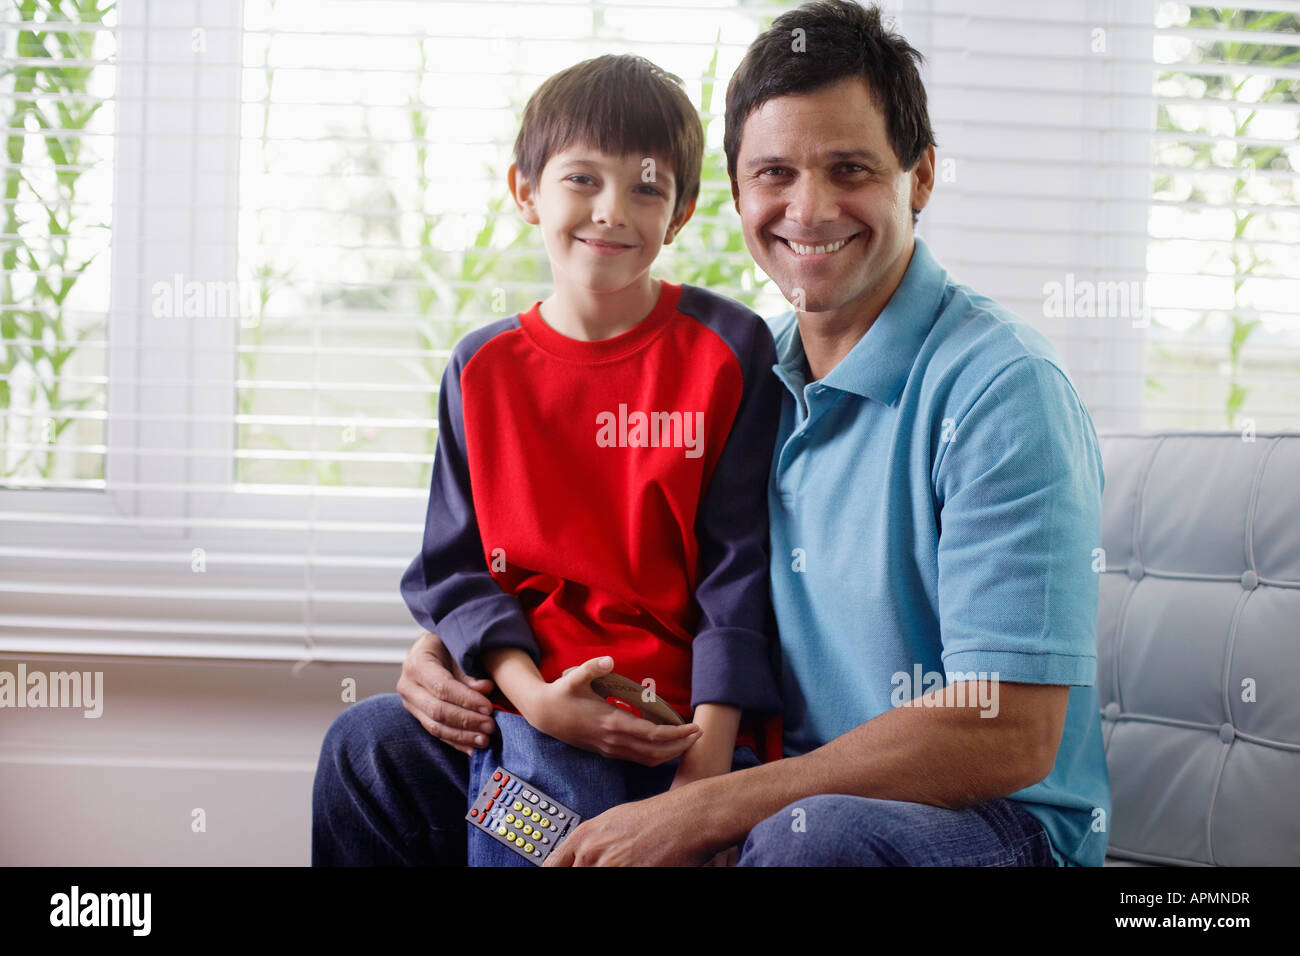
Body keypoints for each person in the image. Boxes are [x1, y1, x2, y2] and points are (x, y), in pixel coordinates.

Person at [372, 0, 1112, 868]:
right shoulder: (737, 371)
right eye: (774, 174)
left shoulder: (1001, 389)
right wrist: (460, 647)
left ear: (920, 177)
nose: (810, 207)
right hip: (763, 770)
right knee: (377, 747)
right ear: (732, 193)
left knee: (812, 840)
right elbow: (603, 555)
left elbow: (1009, 732)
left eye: (850, 169)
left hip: (983, 820)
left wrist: (717, 805)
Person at [313, 53, 783, 866]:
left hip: (675, 718)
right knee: (405, 758)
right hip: (531, 707)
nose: (612, 210)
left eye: (645, 186)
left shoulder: (728, 350)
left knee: (550, 798)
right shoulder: (480, 369)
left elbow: (737, 574)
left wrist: (703, 778)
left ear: (679, 214)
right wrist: (536, 697)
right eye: (581, 180)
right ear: (525, 191)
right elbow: (455, 568)